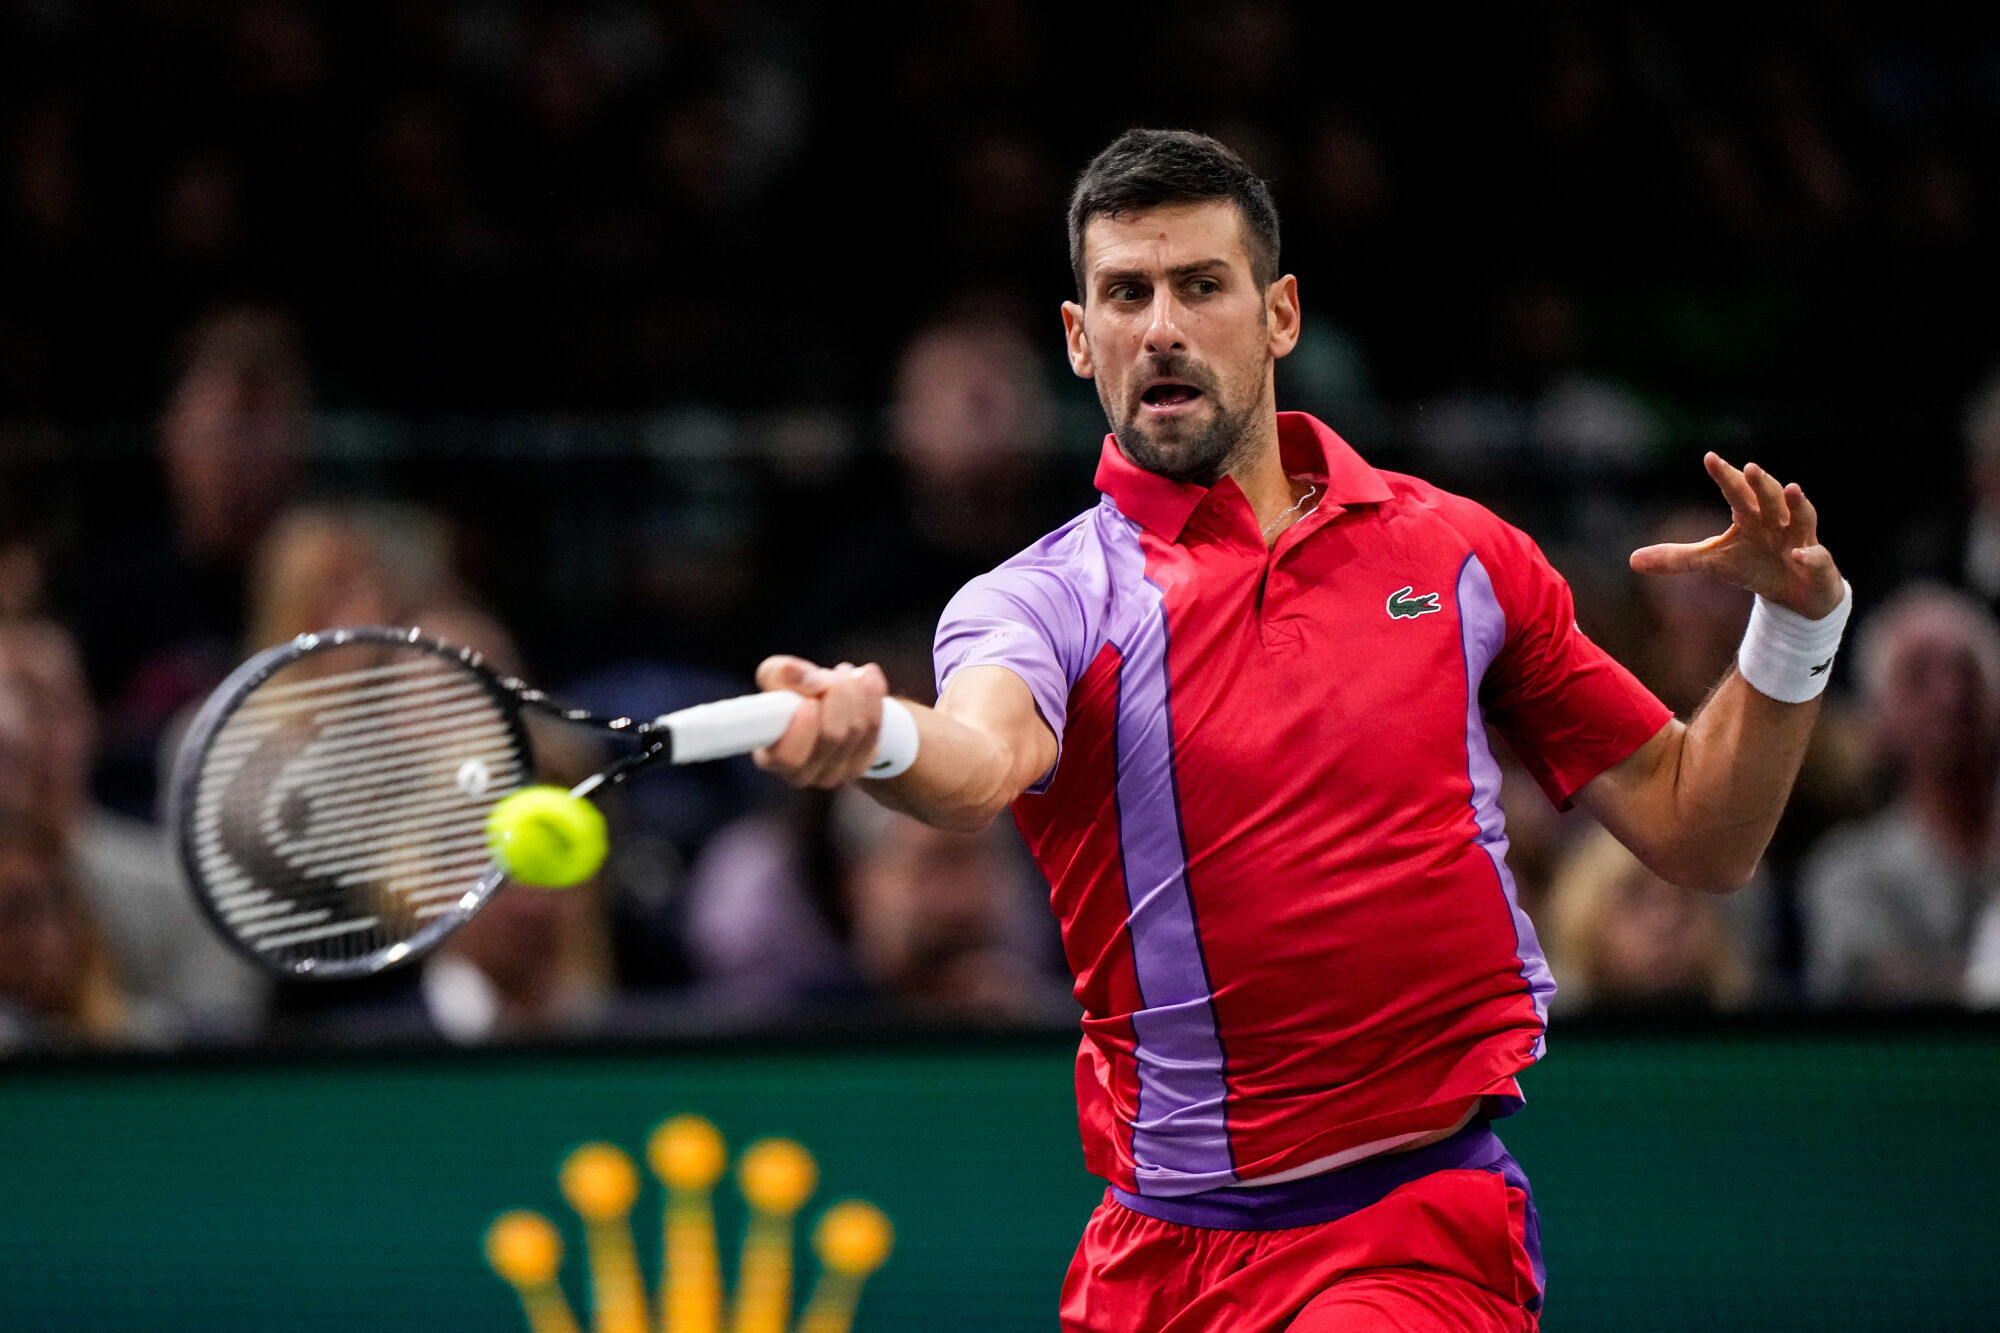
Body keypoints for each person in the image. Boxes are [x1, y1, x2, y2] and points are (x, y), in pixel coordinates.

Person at [748, 130, 1851, 1332]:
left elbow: (1699, 829)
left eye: (1198, 286)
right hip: (1153, 1255)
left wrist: (1794, 629)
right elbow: (975, 763)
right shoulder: (1038, 602)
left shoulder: (1458, 555)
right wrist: (880, 740)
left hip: (1408, 1233)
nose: (1160, 327)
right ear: (1077, 338)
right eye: (1124, 293)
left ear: (1278, 315)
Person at [1800, 585, 2000, 1006]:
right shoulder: (1848, 874)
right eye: (1917, 677)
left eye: (1967, 672)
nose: (1950, 697)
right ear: (1877, 716)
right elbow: (1882, 1001)